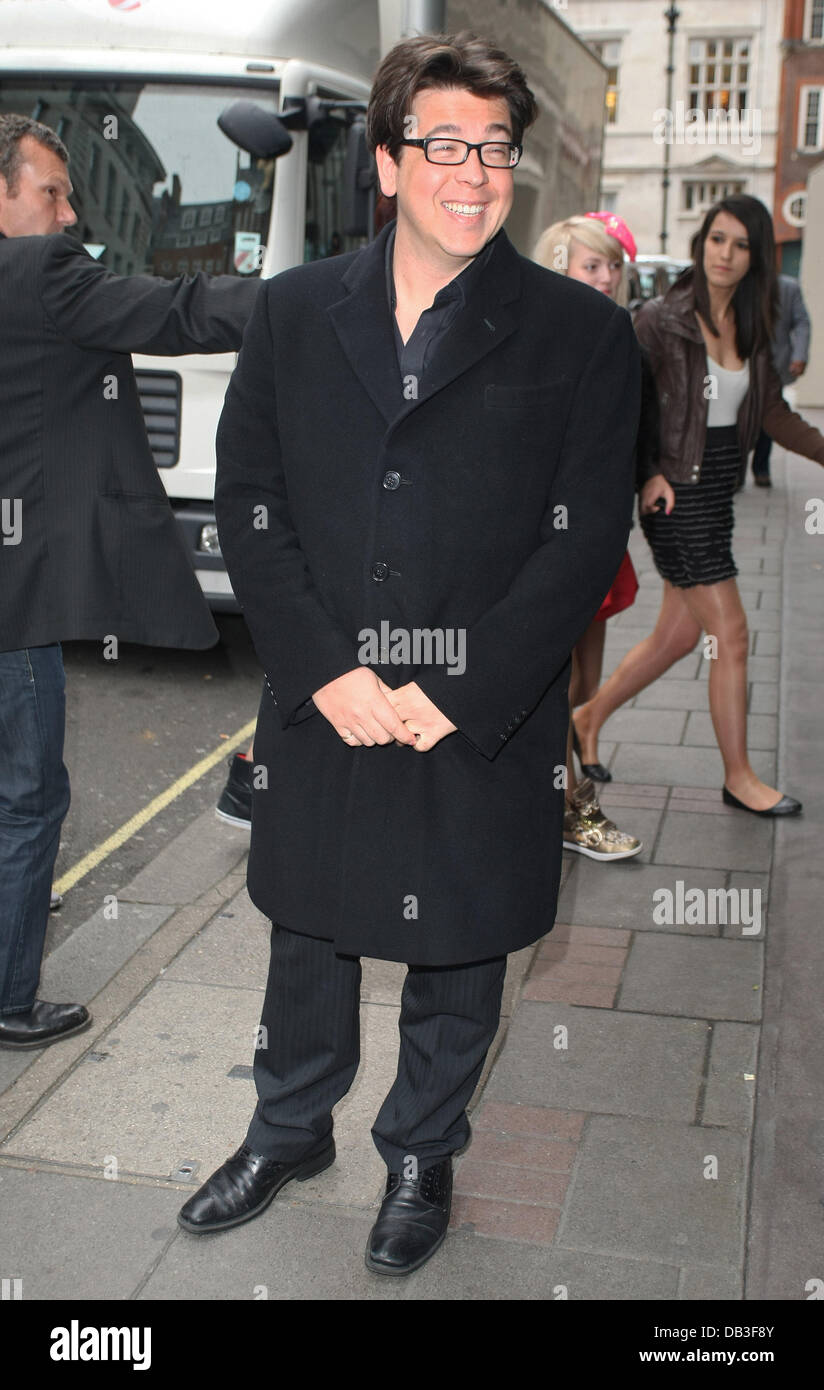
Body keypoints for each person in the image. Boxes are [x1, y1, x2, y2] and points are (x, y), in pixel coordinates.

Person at [180, 32, 640, 1277]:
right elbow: (251, 501)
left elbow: (579, 541)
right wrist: (324, 669)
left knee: (458, 938)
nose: (473, 172)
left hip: (476, 705)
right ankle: (289, 1128)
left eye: (492, 149)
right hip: (324, 690)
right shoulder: (288, 313)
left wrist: (464, 690)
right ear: (386, 163)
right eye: (443, 144)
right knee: (309, 927)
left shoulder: (582, 340)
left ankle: (422, 1151)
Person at [0, 115, 261, 1050]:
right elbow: (175, 315)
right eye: (52, 195)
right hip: (14, 609)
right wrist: (300, 298)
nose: (70, 216)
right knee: (27, 800)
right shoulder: (40, 274)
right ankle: (7, 996)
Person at [573, 193, 824, 817]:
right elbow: (625, 404)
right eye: (718, 239)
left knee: (680, 635)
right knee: (731, 633)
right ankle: (739, 777)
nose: (726, 254)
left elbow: (769, 414)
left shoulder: (753, 324)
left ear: (755, 256)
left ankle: (586, 717)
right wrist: (648, 473)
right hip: (674, 493)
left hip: (719, 489)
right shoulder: (661, 319)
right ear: (702, 241)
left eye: (740, 245)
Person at [532, 213, 654, 861]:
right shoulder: (537, 337)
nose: (606, 277)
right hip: (545, 538)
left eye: (611, 266)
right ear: (559, 265)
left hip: (600, 532)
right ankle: (566, 806)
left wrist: (652, 473)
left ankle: (554, 795)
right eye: (591, 265)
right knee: (550, 680)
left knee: (582, 684)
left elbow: (636, 428)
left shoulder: (618, 336)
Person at [751, 272, 812, 487]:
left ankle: (761, 467)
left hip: (774, 363)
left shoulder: (788, 287)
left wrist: (799, 355)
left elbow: (802, 322)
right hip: (738, 363)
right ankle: (735, 471)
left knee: (767, 416)